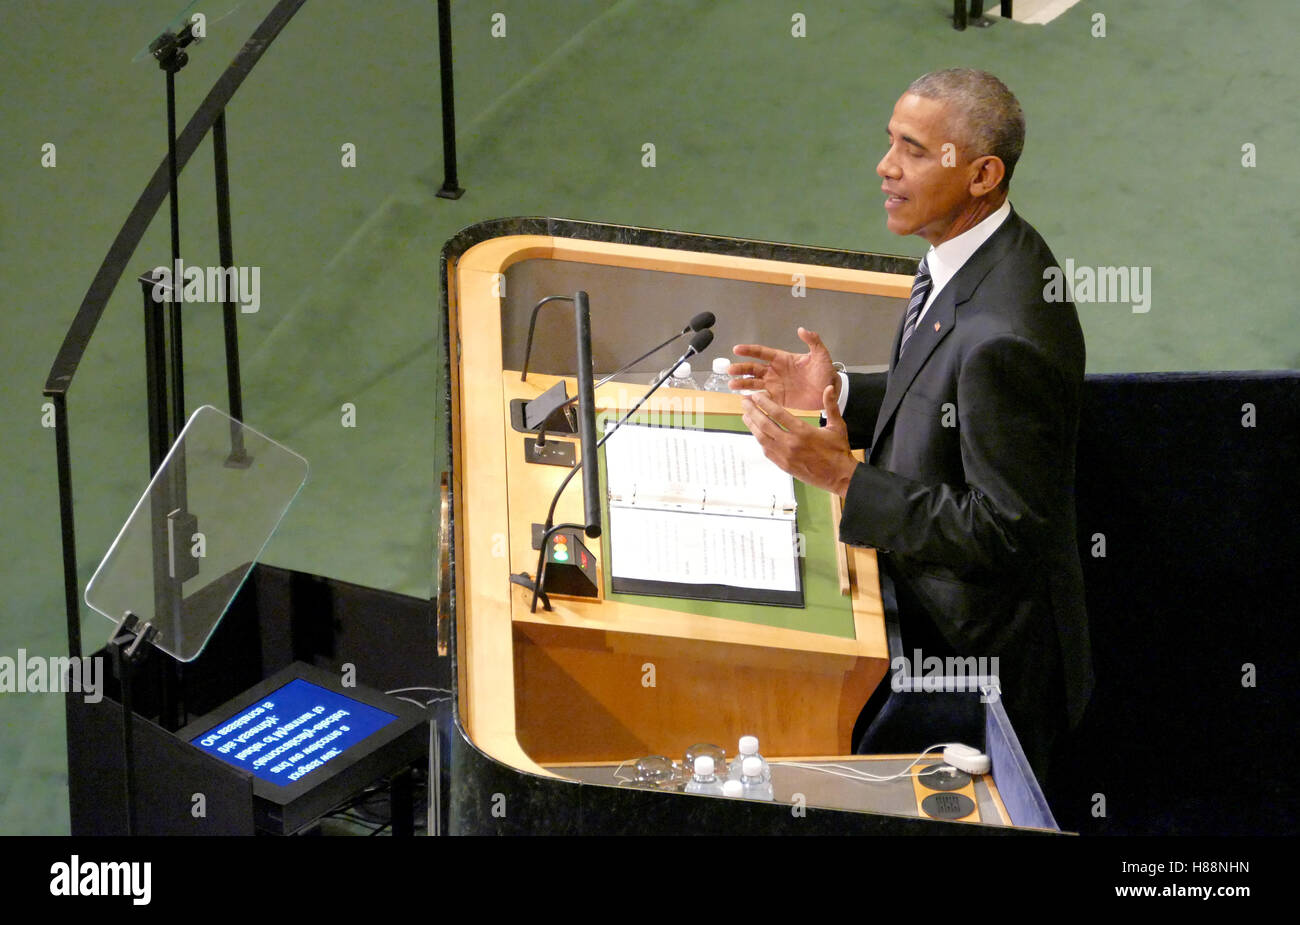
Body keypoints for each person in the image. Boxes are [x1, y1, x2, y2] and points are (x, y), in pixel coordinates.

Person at [731, 69, 1092, 782]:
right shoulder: (972, 256)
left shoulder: (1005, 332)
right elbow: (941, 398)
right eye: (890, 141)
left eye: (915, 150)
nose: (886, 166)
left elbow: (1006, 529)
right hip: (928, 610)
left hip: (975, 673)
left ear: (983, 173)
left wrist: (841, 475)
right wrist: (836, 390)